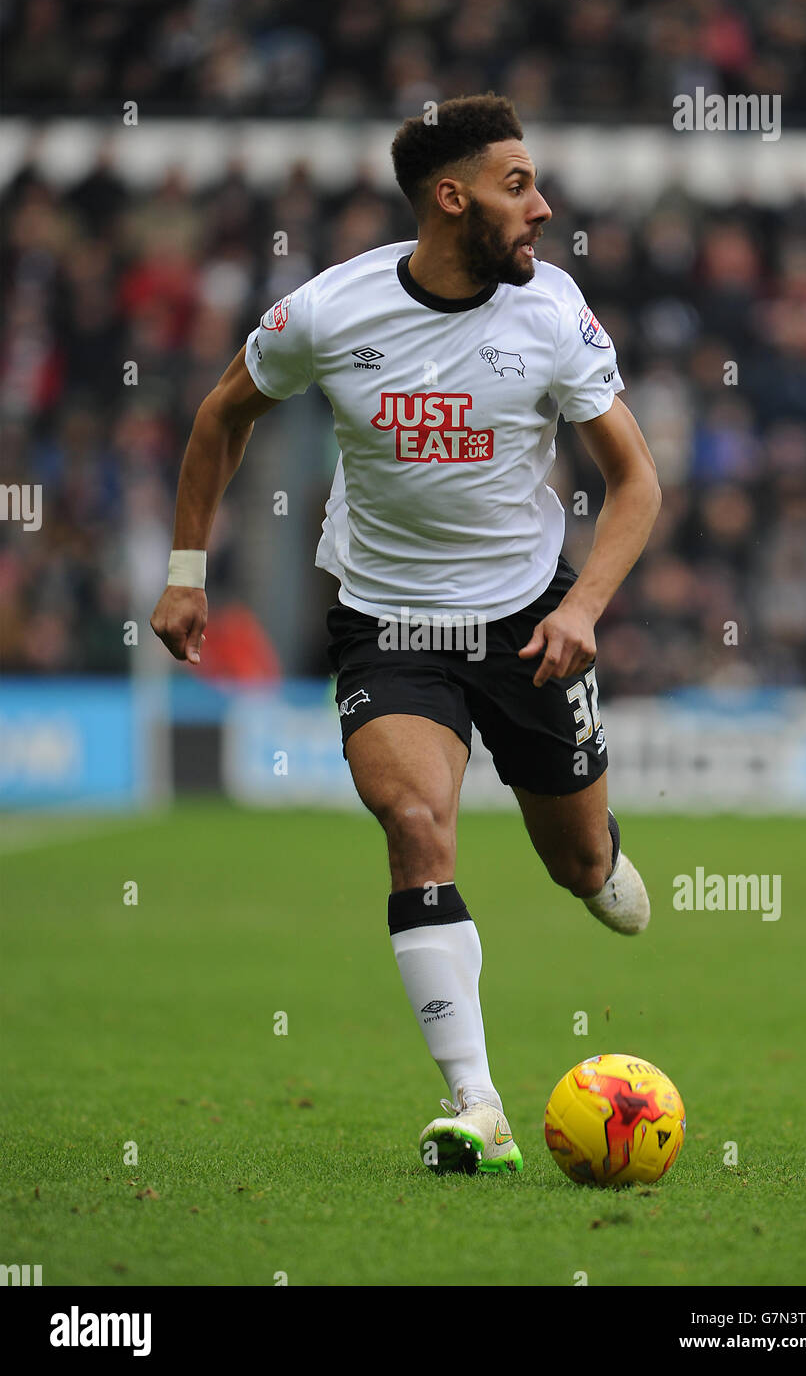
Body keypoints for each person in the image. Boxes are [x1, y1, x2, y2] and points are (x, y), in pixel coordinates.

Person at [151, 93, 661, 1175]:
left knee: (578, 865)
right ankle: (477, 1103)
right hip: (387, 621)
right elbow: (221, 414)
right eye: (518, 186)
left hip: (528, 619)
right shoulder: (330, 311)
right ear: (452, 198)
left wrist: (580, 608)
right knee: (416, 821)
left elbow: (636, 481)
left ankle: (599, 854)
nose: (543, 207)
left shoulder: (553, 313)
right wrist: (187, 574)